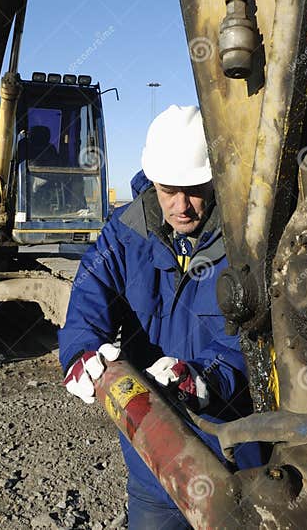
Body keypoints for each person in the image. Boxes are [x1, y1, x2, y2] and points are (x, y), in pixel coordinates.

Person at [58, 105, 261, 529]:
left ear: (216, 180)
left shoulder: (247, 241)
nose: (182, 206)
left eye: (195, 190)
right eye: (170, 190)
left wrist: (204, 378)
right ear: (151, 181)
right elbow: (90, 295)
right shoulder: (125, 232)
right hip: (153, 462)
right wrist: (79, 351)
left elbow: (257, 340)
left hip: (233, 457)